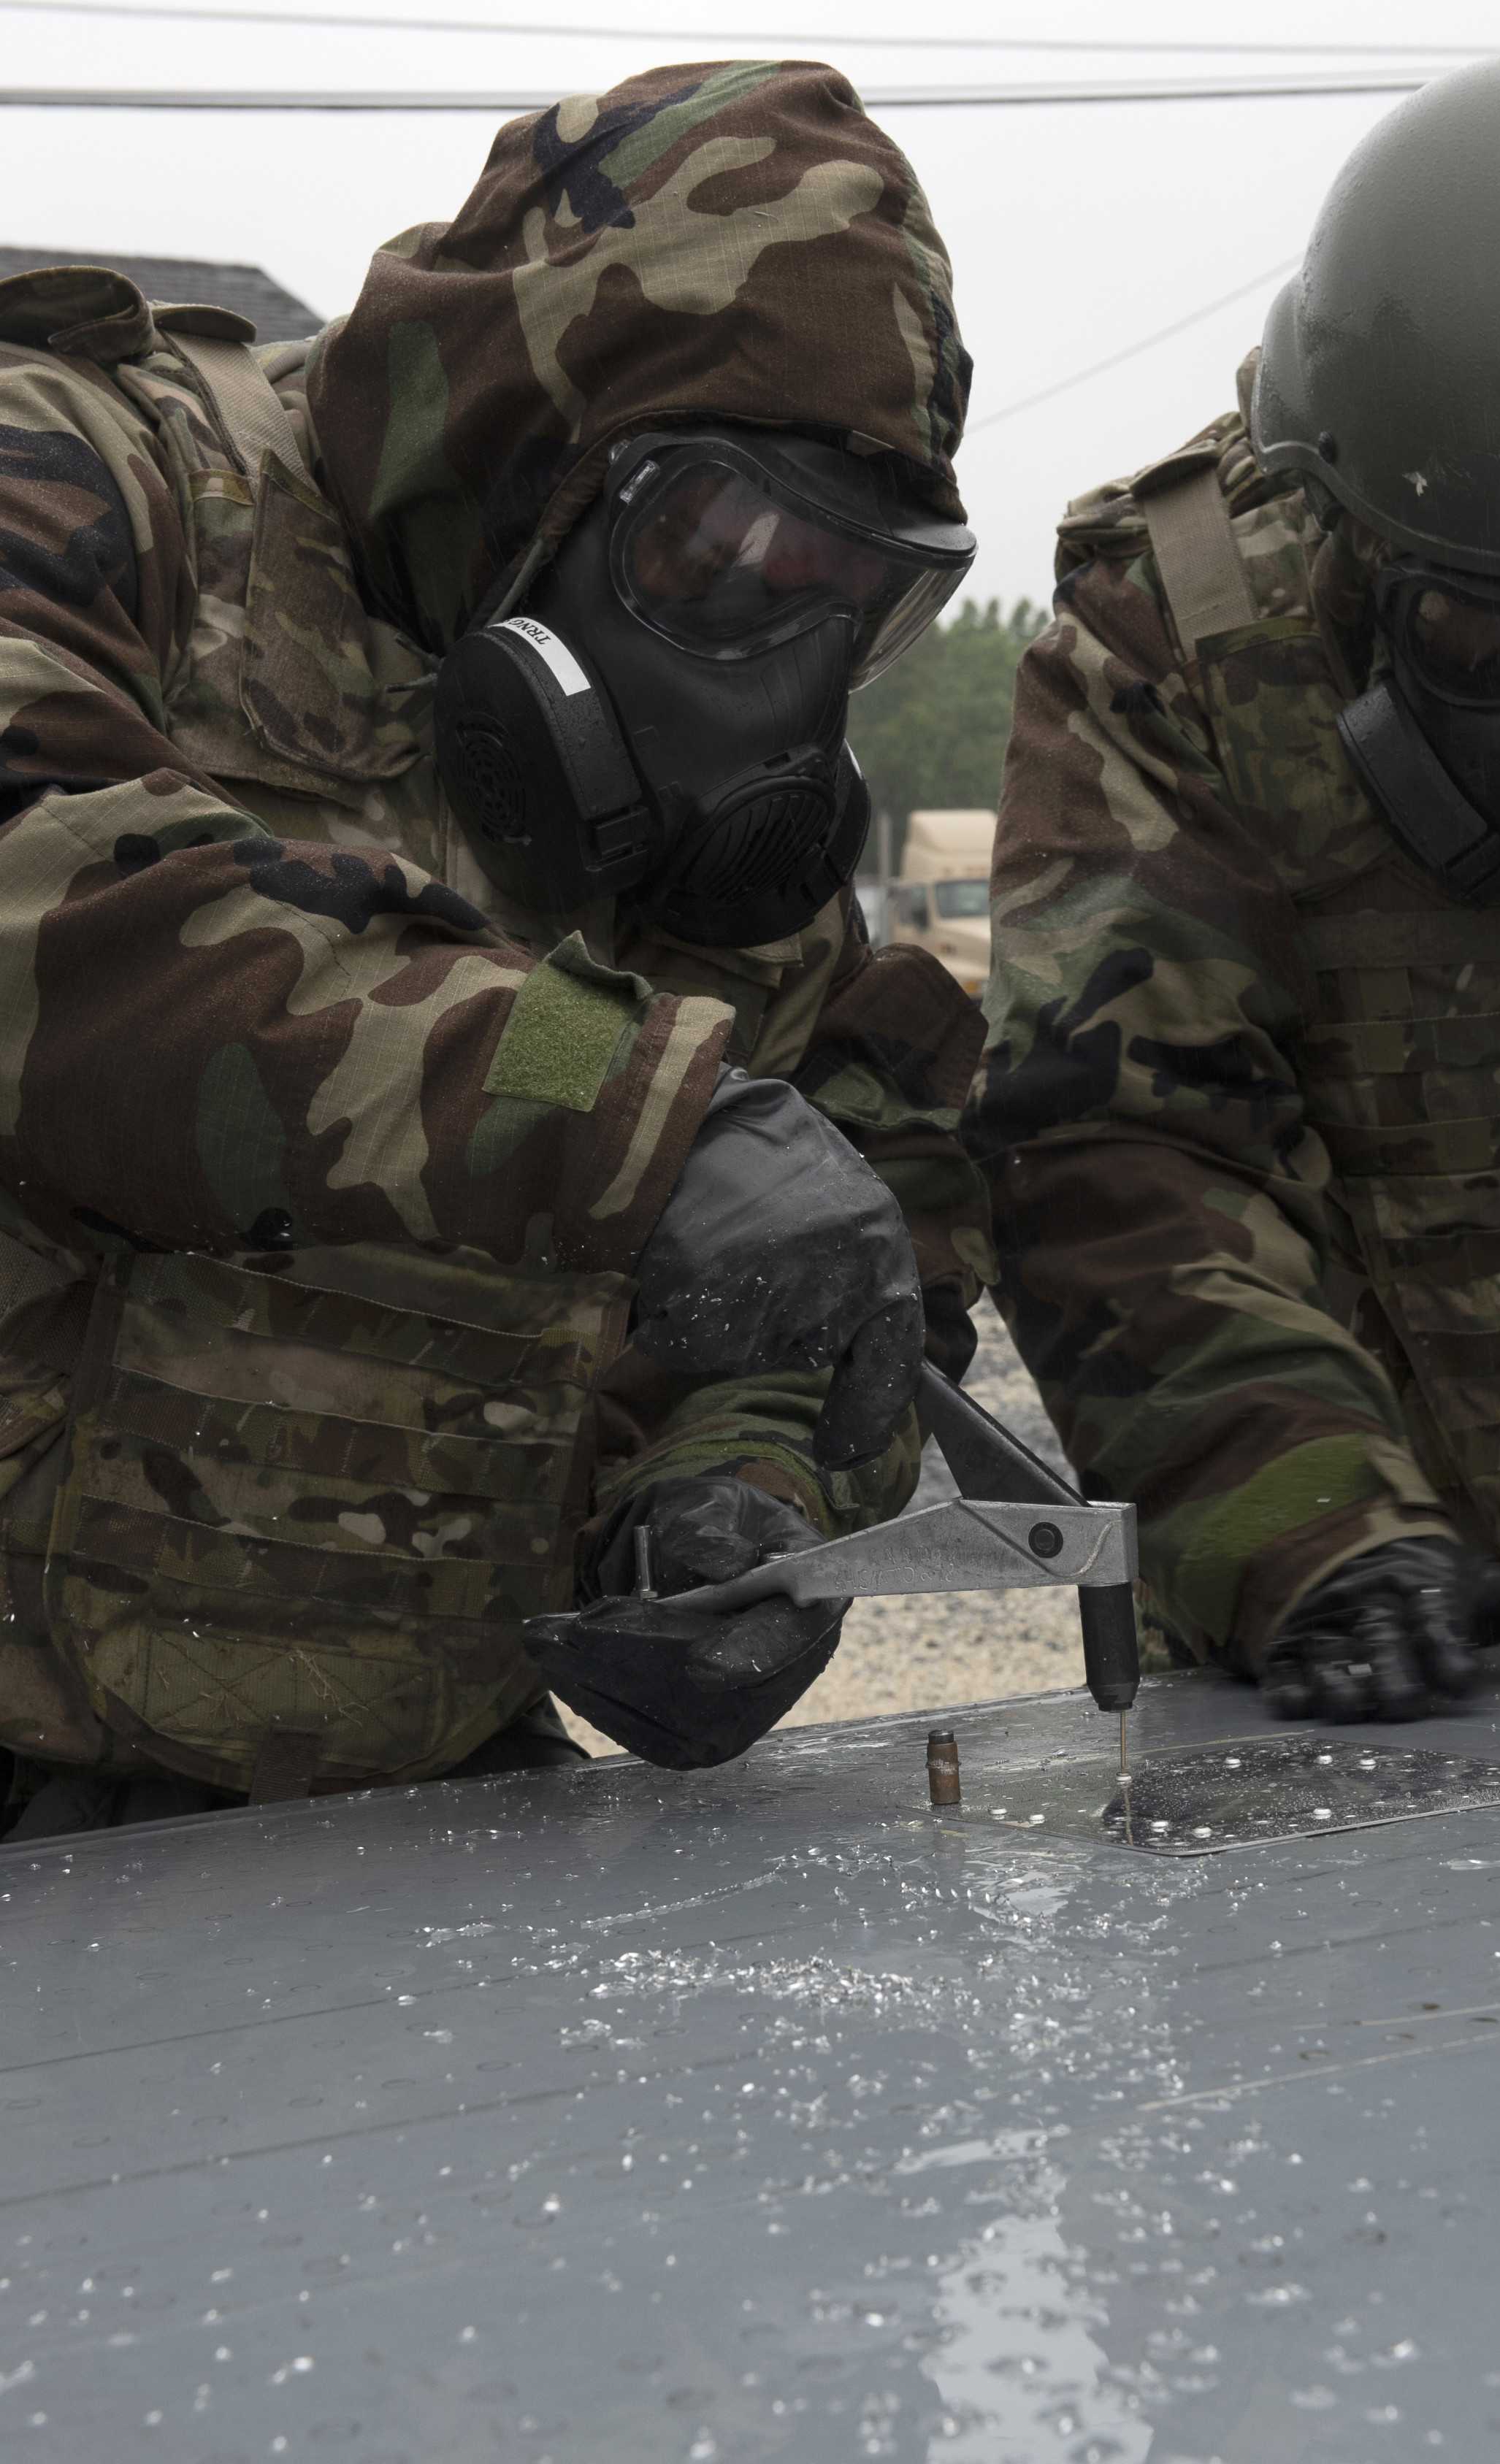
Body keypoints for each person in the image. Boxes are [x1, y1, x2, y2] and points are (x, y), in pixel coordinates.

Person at [0, 58, 994, 1836]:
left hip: (412, 1812)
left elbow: (834, 1273)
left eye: (846, 603)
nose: (770, 667)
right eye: (722, 555)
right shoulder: (97, 478)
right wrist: (632, 1112)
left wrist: (737, 1501)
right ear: (508, 447)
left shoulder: (717, 853)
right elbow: (48, 909)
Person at [961, 47, 1500, 1725]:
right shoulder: (1184, 653)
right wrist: (1306, 1534)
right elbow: (1116, 1148)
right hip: (1419, 1645)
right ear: (1360, 559)